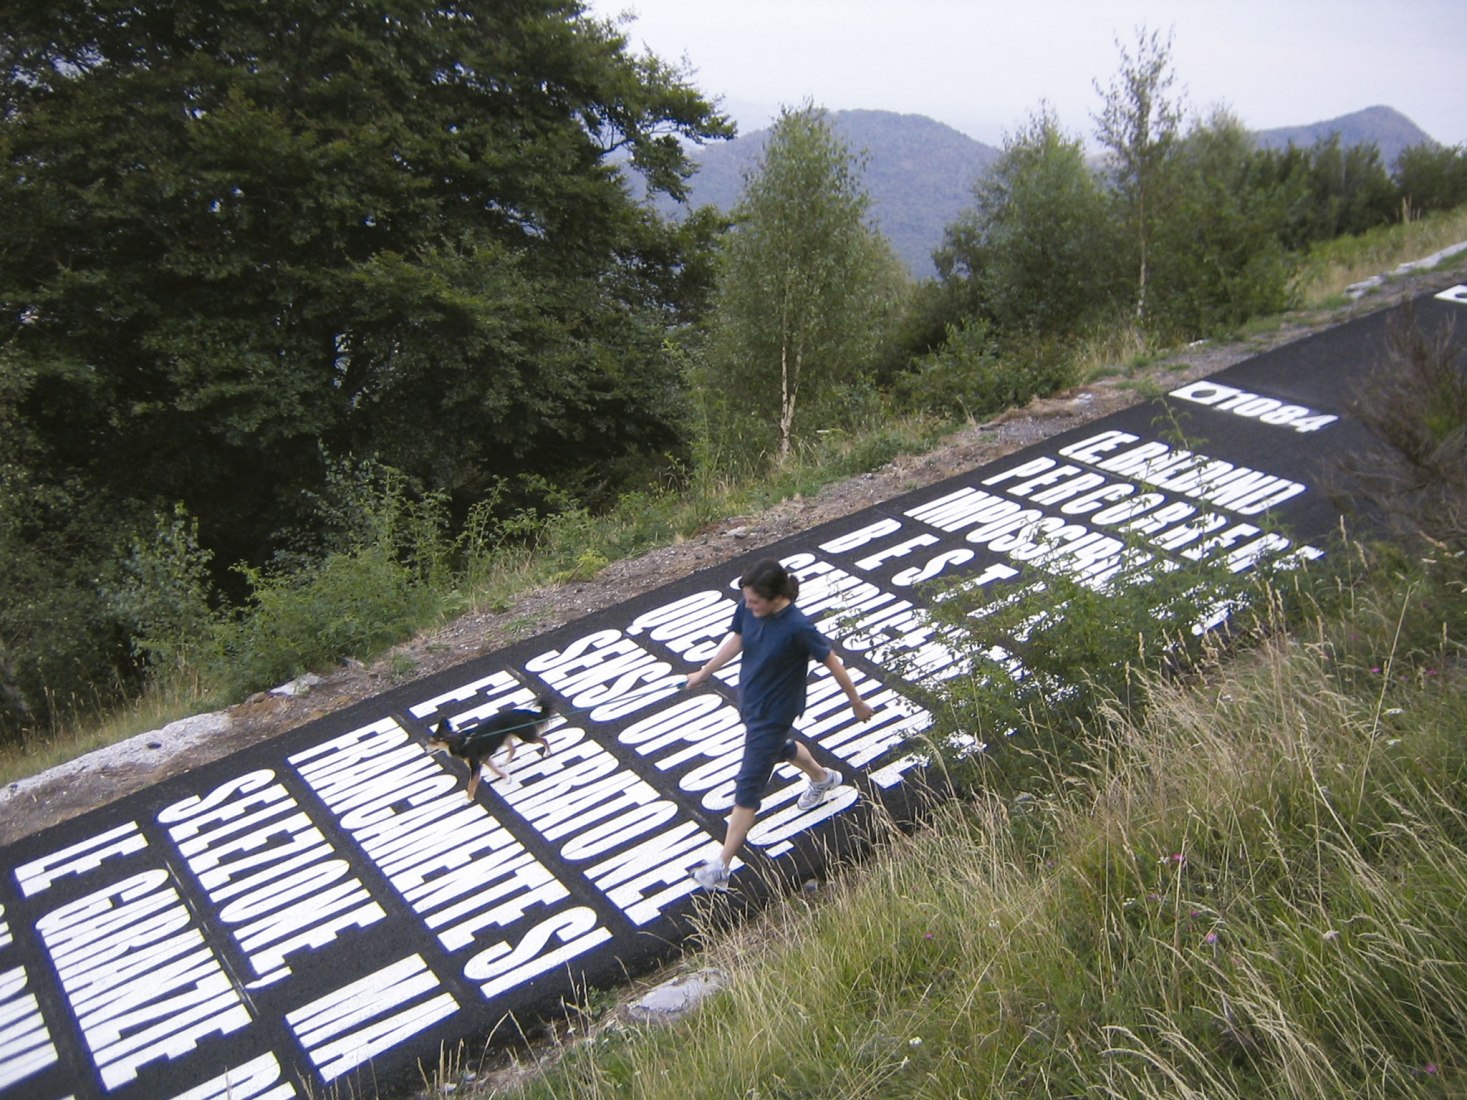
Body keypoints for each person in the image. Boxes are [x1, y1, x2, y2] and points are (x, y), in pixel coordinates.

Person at [686, 558, 875, 891]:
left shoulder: (798, 627)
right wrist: (704, 672)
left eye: (756, 602)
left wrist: (857, 703)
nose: (749, 606)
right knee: (780, 750)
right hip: (752, 702)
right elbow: (739, 638)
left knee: (748, 785)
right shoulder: (750, 607)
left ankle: (721, 868)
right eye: (747, 600)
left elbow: (835, 664)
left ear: (775, 598)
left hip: (775, 713)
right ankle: (822, 777)